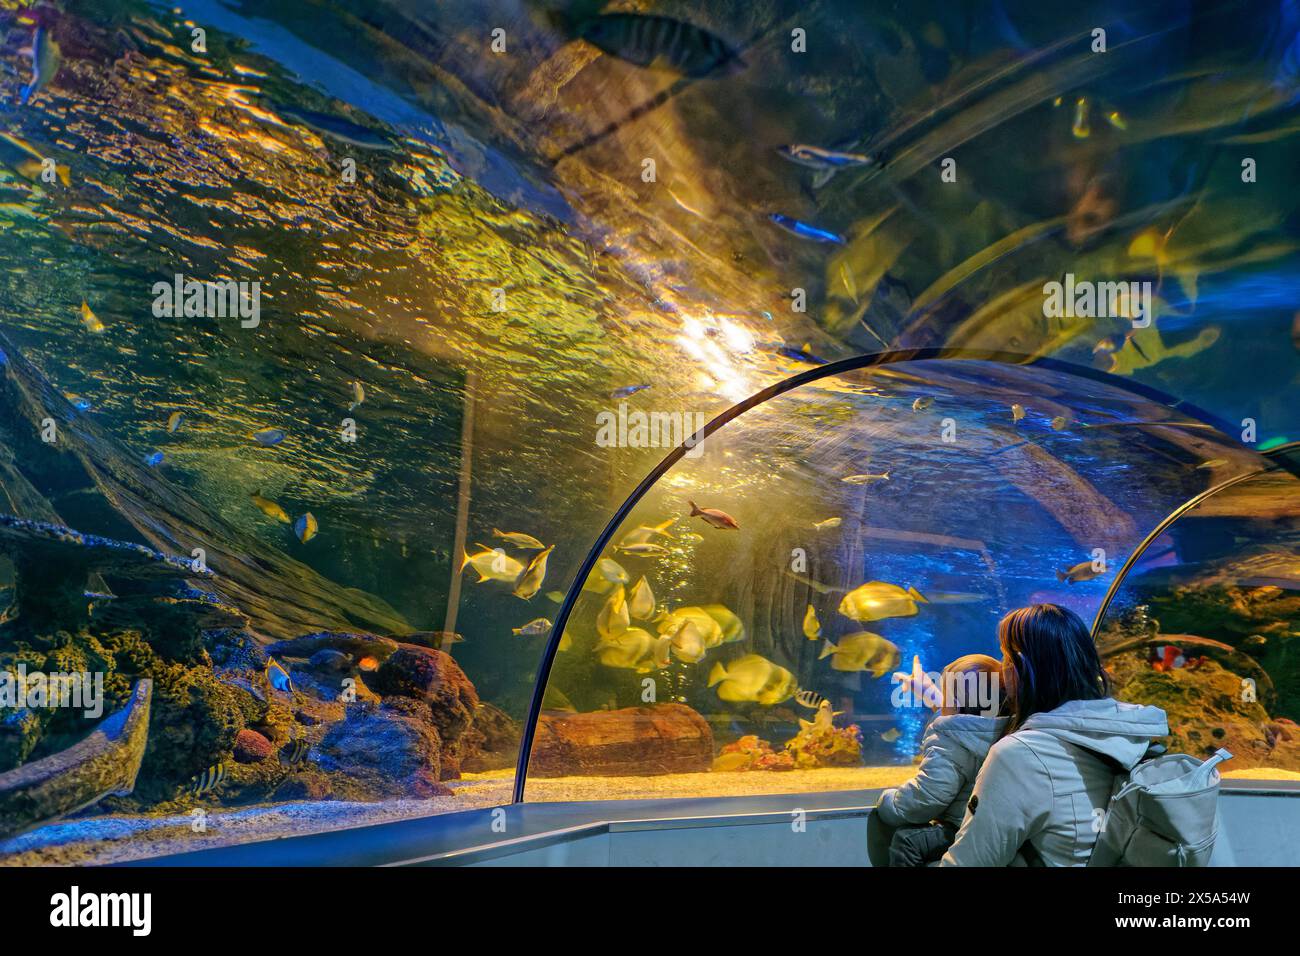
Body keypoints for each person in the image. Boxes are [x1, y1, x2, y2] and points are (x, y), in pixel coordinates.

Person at [940, 603, 1168, 866]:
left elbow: (968, 861)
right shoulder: (1132, 734)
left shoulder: (1020, 755)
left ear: (1021, 667)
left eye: (1005, 657)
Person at [874, 654, 1006, 866]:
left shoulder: (949, 743)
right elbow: (964, 721)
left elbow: (925, 799)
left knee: (906, 840)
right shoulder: (1009, 729)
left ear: (953, 703)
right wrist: (929, 693)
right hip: (1000, 830)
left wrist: (888, 802)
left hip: (962, 829)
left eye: (945, 695)